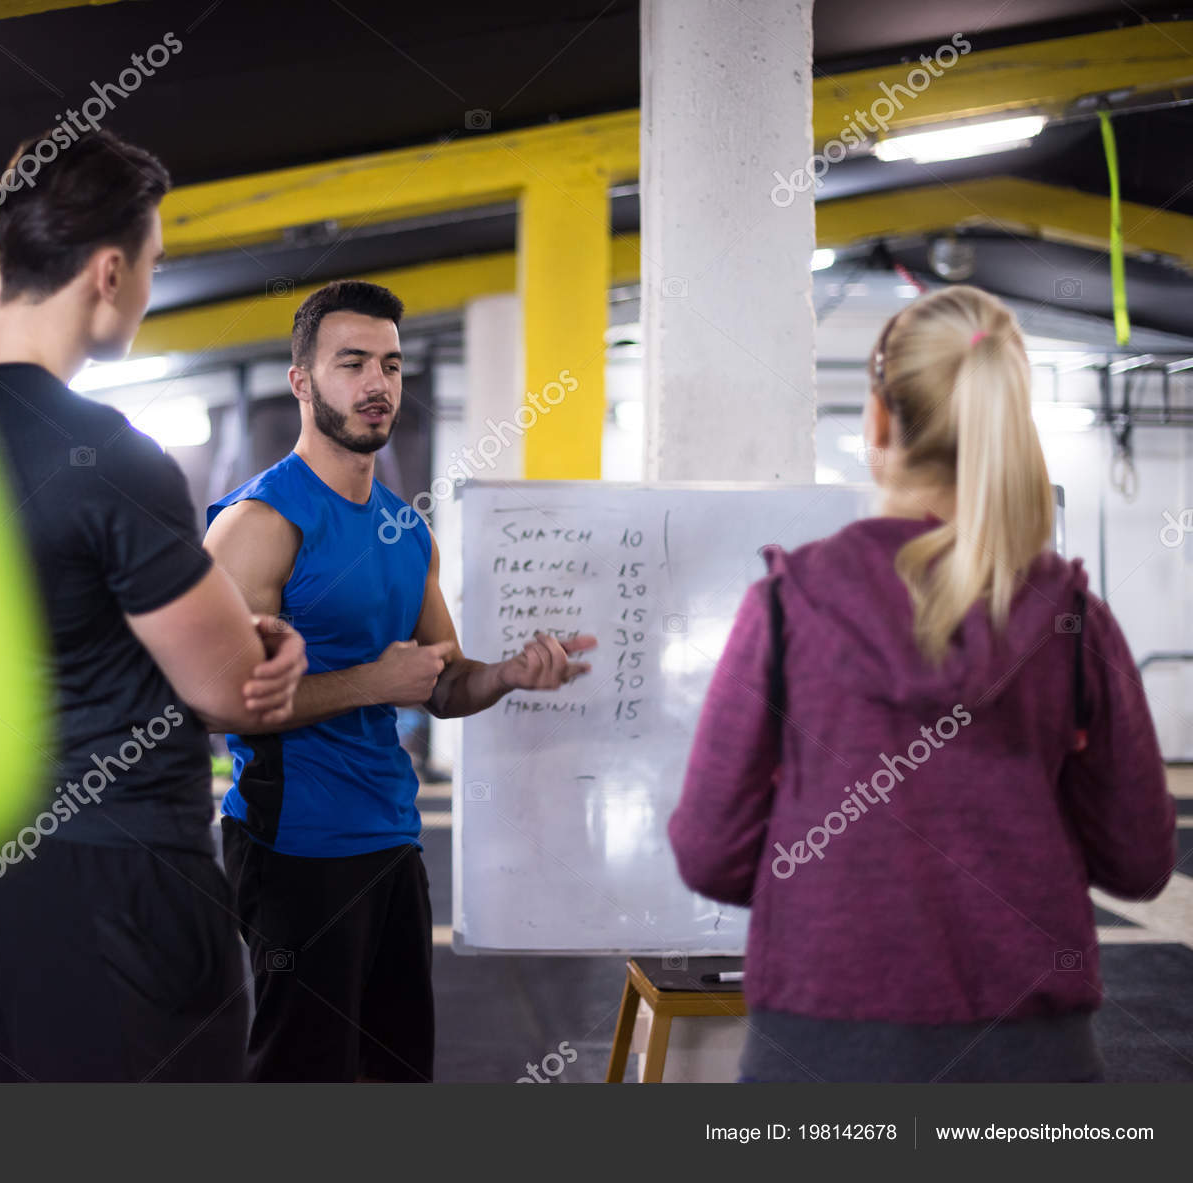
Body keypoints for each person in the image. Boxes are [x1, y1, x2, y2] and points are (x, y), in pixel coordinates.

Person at [668, 284, 1176, 1083]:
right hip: (1032, 1049)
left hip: (820, 1034)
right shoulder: (1073, 619)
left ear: (879, 418)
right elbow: (1142, 858)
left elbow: (708, 852)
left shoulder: (789, 605)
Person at [0, 129, 308, 1083]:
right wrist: (270, 643)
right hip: (120, 873)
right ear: (107, 271)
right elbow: (235, 694)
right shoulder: (108, 457)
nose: (147, 286)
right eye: (152, 265)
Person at [204, 279, 597, 1082]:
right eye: (352, 363)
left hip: (391, 839)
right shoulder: (257, 525)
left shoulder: (405, 529)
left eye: (389, 364)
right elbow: (223, 700)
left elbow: (444, 685)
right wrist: (370, 682)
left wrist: (512, 673)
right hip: (293, 846)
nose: (378, 383)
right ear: (301, 381)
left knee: (396, 1074)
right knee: (301, 1078)